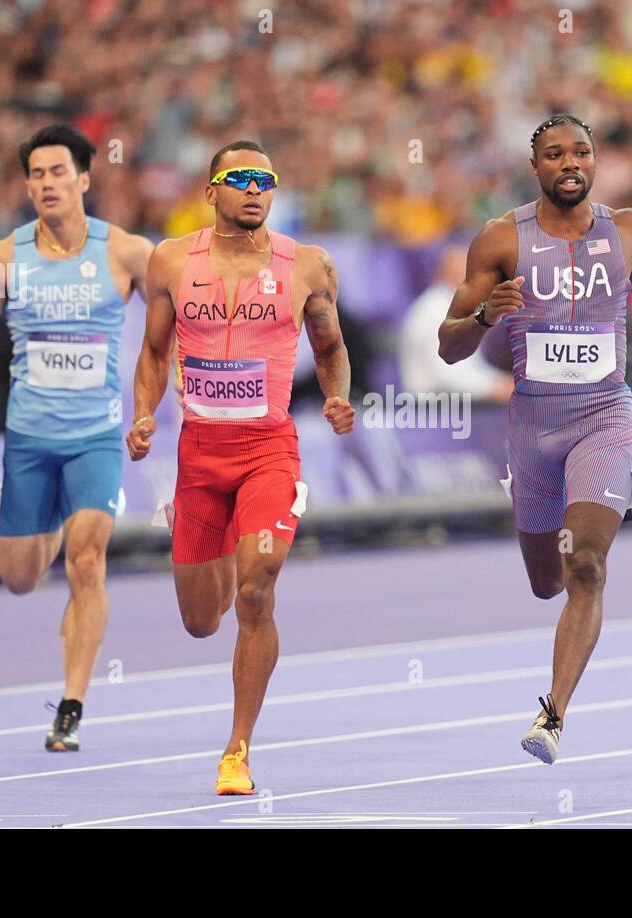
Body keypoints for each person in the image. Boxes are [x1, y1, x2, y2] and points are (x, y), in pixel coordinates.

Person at [437, 114, 632, 763]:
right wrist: (485, 315)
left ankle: (552, 717)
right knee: (547, 582)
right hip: (534, 431)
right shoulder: (501, 238)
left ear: (595, 162)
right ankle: (587, 493)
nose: (570, 163)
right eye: (555, 154)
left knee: (587, 566)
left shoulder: (625, 230)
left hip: (603, 417)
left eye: (582, 152)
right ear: (535, 166)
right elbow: (448, 347)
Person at [127, 140, 354, 795]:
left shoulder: (308, 265)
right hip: (199, 458)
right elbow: (151, 352)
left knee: (256, 591)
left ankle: (237, 750)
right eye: (242, 179)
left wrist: (338, 396)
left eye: (267, 180)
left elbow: (332, 347)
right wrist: (145, 413)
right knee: (201, 620)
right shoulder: (171, 261)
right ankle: (220, 539)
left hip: (268, 454)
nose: (256, 189)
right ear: (212, 191)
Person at [0, 123, 153, 752]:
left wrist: (152, 403)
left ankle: (71, 703)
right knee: (18, 575)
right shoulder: (5, 257)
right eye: (36, 174)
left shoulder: (124, 252)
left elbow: (171, 320)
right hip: (29, 441)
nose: (46, 183)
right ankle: (46, 524)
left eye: (58, 172)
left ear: (84, 179)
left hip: (95, 440)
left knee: (86, 561)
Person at [400, 244, 514, 403]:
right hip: (431, 412)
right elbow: (446, 375)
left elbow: (470, 370)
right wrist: (498, 387)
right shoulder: (435, 310)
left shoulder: (452, 306)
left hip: (452, 406)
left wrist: (503, 383)